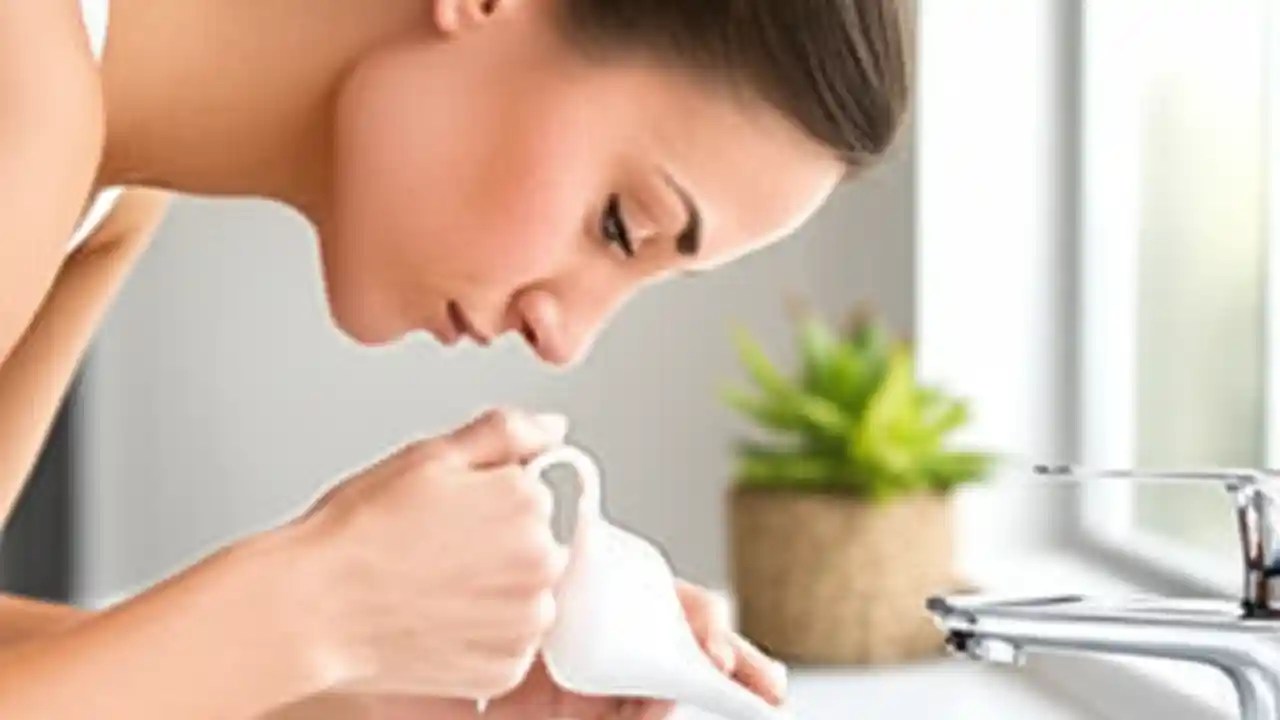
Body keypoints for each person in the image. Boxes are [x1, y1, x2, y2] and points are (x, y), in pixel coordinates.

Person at [0, 0, 910, 717]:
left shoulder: (109, 197)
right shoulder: (23, 88)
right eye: (620, 225)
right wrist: (320, 602)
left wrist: (355, 698)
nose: (566, 338)